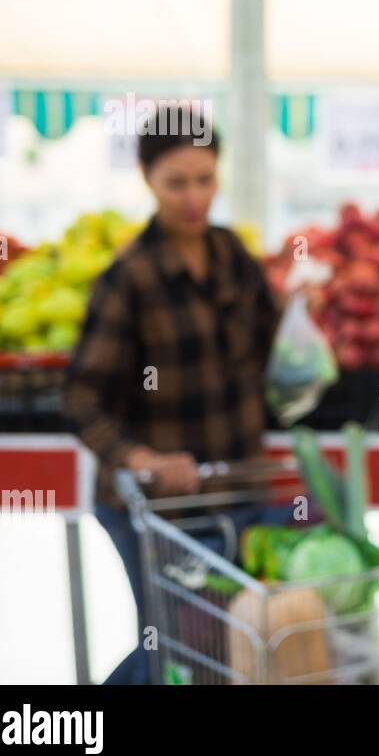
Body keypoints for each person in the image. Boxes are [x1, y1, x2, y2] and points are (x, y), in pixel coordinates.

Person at [64, 102, 286, 685]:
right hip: (155, 507)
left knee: (220, 643)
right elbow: (81, 396)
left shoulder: (232, 256)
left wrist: (304, 321)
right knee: (174, 645)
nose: (194, 197)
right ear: (148, 180)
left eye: (205, 179)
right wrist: (144, 460)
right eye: (177, 183)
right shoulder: (128, 277)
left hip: (233, 488)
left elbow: (271, 350)